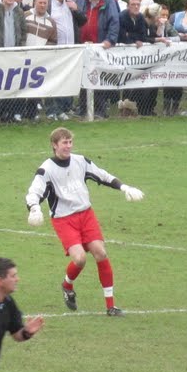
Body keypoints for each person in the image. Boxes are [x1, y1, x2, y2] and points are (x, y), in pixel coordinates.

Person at [24, 127, 143, 316]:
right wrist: (34, 208)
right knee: (79, 259)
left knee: (101, 253)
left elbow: (103, 175)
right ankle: (66, 285)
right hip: (64, 220)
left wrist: (124, 187)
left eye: (70, 142)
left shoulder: (80, 161)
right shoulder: (46, 169)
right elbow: (35, 191)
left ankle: (110, 306)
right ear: (54, 145)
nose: (68, 146)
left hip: (86, 215)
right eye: (64, 143)